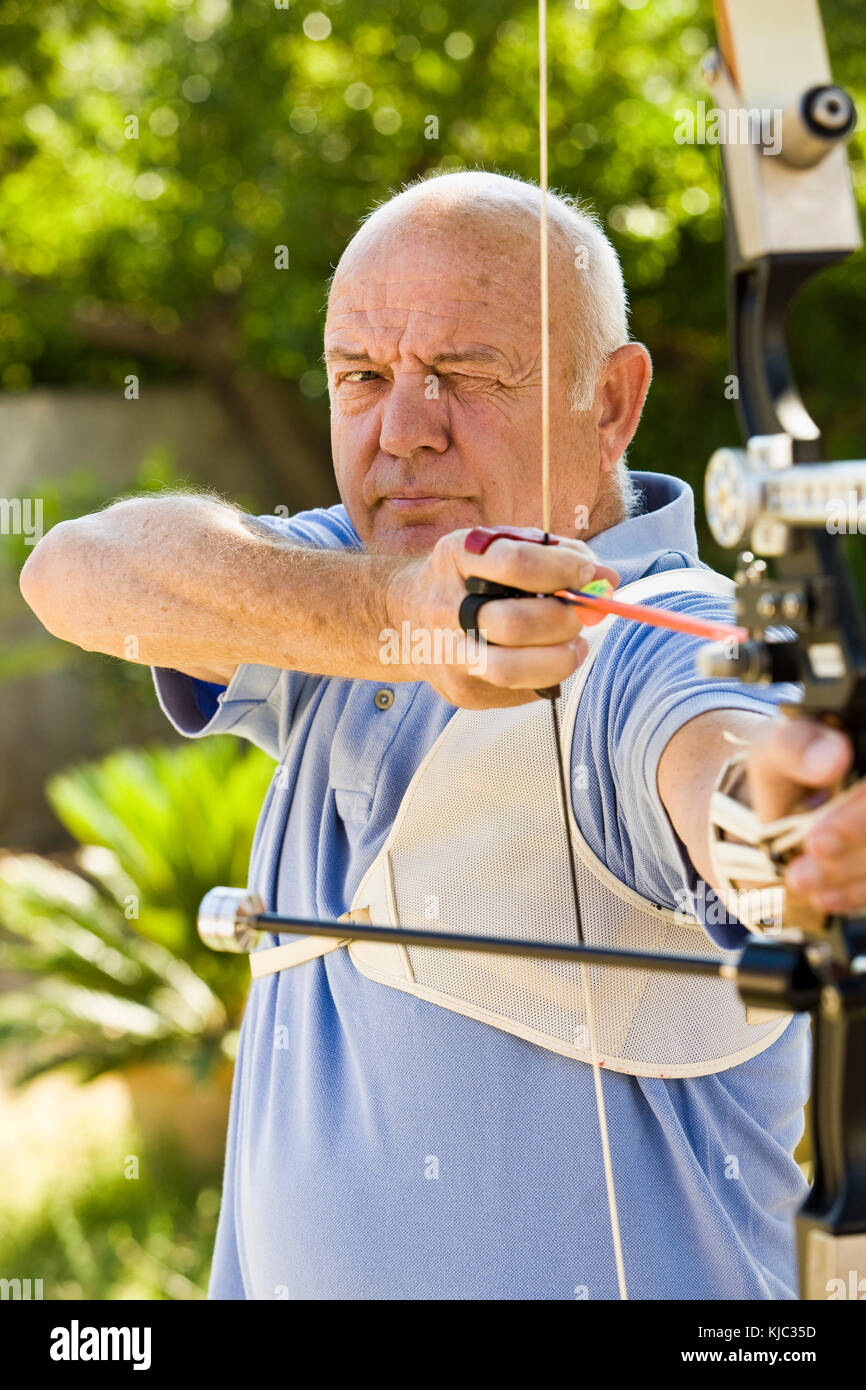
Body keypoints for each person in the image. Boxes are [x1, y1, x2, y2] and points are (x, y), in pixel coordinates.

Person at [20, 171, 864, 1300]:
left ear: (608, 402)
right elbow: (76, 569)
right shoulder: (355, 580)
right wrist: (388, 617)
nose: (404, 431)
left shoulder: (662, 637)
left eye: (464, 375)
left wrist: (794, 830)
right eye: (360, 377)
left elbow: (721, 757)